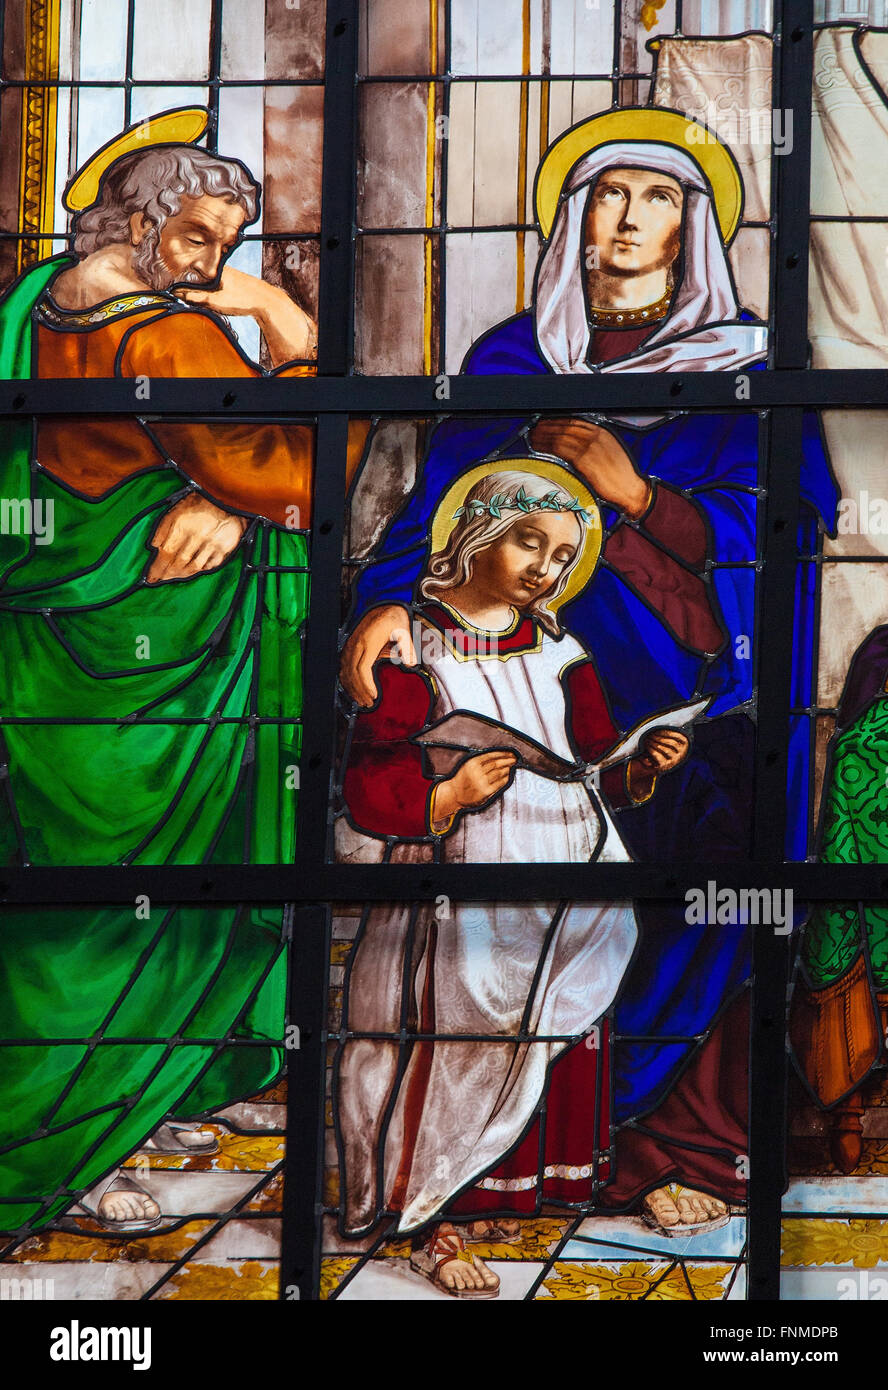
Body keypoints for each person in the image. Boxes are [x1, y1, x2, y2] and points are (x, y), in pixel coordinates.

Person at [339, 108, 838, 1231]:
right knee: (534, 916)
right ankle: (520, 1146)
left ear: (693, 225)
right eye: (607, 193)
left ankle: (680, 1145)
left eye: (658, 197)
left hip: (702, 713)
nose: (627, 219)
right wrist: (379, 602)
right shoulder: (512, 360)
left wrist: (634, 494)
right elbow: (438, 513)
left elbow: (791, 525)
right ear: (574, 214)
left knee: (707, 899)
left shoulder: (756, 365)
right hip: (532, 709)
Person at [0, 109, 366, 1239]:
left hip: (46, 643)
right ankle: (62, 1147)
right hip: (160, 651)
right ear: (144, 222)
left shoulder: (28, 307)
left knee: (81, 892)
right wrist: (291, 329)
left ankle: (135, 1092)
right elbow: (311, 467)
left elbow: (48, 475)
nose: (216, 266)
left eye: (227, 247)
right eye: (202, 239)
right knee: (121, 903)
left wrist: (209, 495)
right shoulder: (166, 336)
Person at [337, 464, 691, 1296]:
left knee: (546, 1026)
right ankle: (425, 1216)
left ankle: (503, 1186)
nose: (545, 567)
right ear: (475, 536)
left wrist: (640, 767)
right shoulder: (412, 644)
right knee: (452, 1038)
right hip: (461, 870)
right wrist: (446, 795)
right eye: (529, 541)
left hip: (570, 860)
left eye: (563, 556)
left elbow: (592, 760)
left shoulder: (564, 649)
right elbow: (369, 777)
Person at [791, 625, 888, 1172]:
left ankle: (845, 1126)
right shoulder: (862, 746)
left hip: (865, 929)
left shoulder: (856, 742)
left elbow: (840, 851)